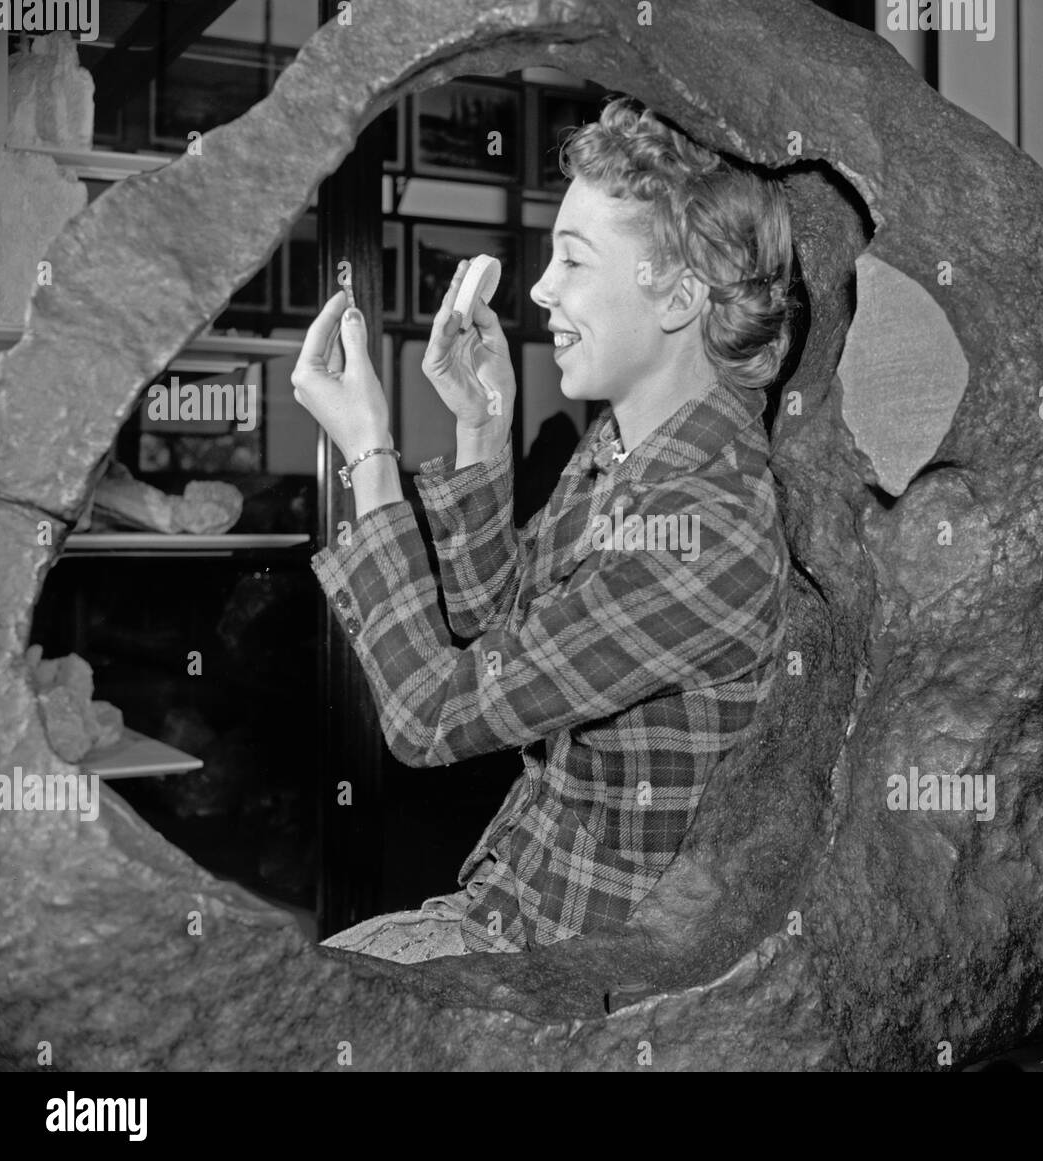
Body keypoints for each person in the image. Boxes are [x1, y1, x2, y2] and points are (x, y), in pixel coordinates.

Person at [293, 96, 797, 964]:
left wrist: (368, 457)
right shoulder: (626, 453)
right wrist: (484, 427)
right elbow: (497, 631)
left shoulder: (702, 524)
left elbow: (428, 714)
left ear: (679, 295)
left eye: (573, 260)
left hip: (573, 975)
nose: (539, 290)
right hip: (508, 913)